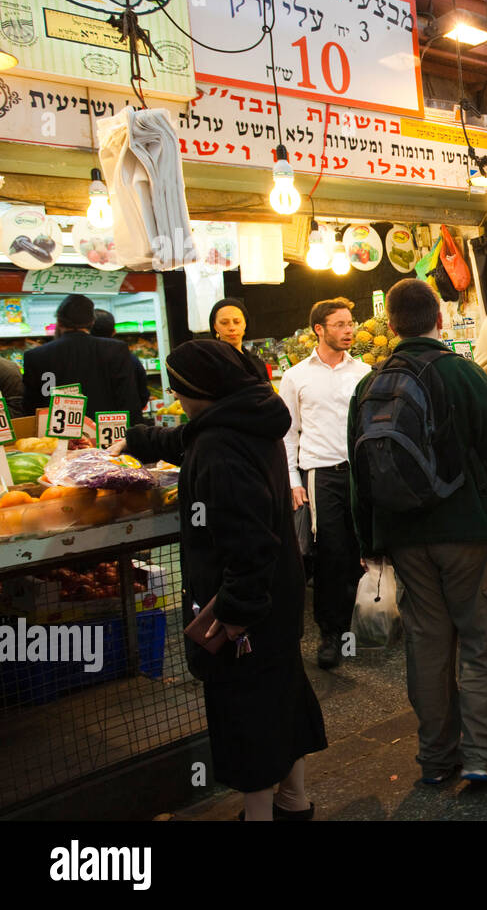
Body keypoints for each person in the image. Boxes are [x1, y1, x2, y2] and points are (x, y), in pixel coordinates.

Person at [349, 279, 487, 785]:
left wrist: (367, 543)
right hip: (465, 532)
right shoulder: (462, 375)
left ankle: (437, 760)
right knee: (481, 641)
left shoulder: (367, 385)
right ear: (440, 317)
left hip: (403, 540)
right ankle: (482, 758)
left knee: (427, 645)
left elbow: (357, 471)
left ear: (391, 325)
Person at [118, 340, 326, 821]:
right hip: (279, 596)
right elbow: (183, 439)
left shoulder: (217, 448)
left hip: (245, 609)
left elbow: (248, 543)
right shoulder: (248, 418)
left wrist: (233, 613)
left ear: (199, 390)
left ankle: (258, 817)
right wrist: (136, 440)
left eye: (179, 391)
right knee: (283, 698)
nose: (177, 400)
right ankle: (292, 802)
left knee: (245, 716)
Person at [279, 297, 370, 670]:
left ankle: (365, 627)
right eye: (339, 324)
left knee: (365, 550)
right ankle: (331, 634)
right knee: (331, 554)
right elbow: (287, 433)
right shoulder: (296, 376)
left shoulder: (364, 372)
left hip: (360, 472)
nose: (349, 331)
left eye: (351, 324)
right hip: (321, 474)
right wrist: (292, 479)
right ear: (319, 329)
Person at [22, 294, 145, 426]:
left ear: (59, 321)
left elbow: (31, 407)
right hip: (108, 436)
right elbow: (129, 399)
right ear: (92, 321)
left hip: (58, 438)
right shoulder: (116, 350)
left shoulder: (36, 355)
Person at [92, 307, 150, 413]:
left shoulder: (82, 358)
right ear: (114, 331)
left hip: (91, 423)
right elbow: (143, 394)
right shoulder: (129, 357)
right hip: (125, 420)